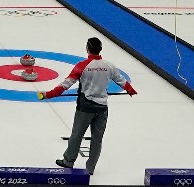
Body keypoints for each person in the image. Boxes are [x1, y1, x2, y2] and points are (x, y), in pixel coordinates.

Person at [42, 36, 137, 174]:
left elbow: (66, 84)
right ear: (100, 49)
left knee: (77, 135)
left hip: (85, 107)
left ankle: (68, 161)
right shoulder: (109, 66)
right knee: (97, 140)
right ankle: (90, 168)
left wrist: (48, 94)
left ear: (87, 48)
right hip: (102, 108)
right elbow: (122, 81)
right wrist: (131, 91)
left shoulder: (82, 66)